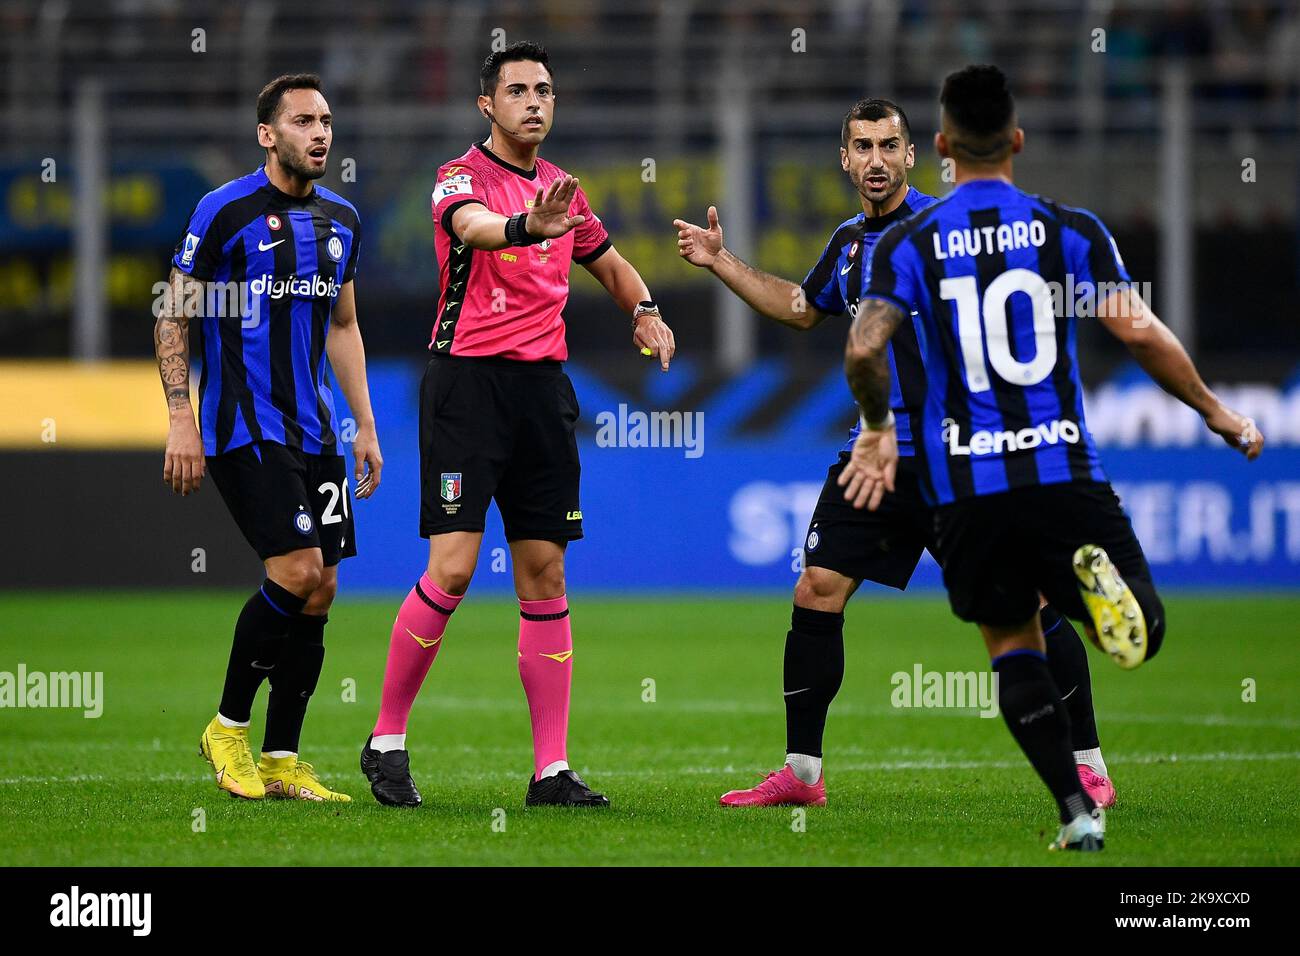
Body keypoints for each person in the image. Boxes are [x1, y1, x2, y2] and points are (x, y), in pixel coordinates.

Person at [842, 65, 1264, 850]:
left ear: (938, 147)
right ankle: (1092, 599)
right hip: (1060, 467)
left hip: (963, 481)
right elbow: (1138, 332)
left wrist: (875, 424)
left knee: (1010, 646)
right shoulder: (1066, 229)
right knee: (1142, 622)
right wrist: (1215, 410)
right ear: (1018, 141)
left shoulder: (907, 241)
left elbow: (863, 349)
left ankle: (1075, 813)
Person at [676, 98, 1114, 810]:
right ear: (844, 159)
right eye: (861, 146)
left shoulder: (949, 232)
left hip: (958, 457)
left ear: (913, 156)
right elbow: (800, 306)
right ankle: (802, 775)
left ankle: (1088, 764)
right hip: (876, 457)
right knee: (817, 587)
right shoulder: (849, 241)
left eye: (888, 146)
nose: (875, 159)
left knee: (1025, 602)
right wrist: (722, 261)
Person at [360, 41, 676, 809]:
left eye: (544, 90)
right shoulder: (460, 177)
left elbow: (610, 264)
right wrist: (531, 229)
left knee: (546, 573)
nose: (534, 101)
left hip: (543, 395)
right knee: (456, 570)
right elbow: (472, 229)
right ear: (487, 106)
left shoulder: (568, 193)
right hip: (467, 387)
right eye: (518, 90)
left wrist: (644, 310)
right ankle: (386, 739)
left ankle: (550, 771)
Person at [156, 73, 382, 802]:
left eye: (326, 121)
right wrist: (181, 417)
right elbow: (173, 314)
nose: (320, 134)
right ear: (268, 134)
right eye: (303, 121)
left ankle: (283, 759)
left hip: (314, 430)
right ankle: (227, 727)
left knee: (323, 589)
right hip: (242, 426)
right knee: (296, 571)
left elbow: (343, 326)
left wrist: (365, 426)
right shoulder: (223, 212)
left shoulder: (342, 219)